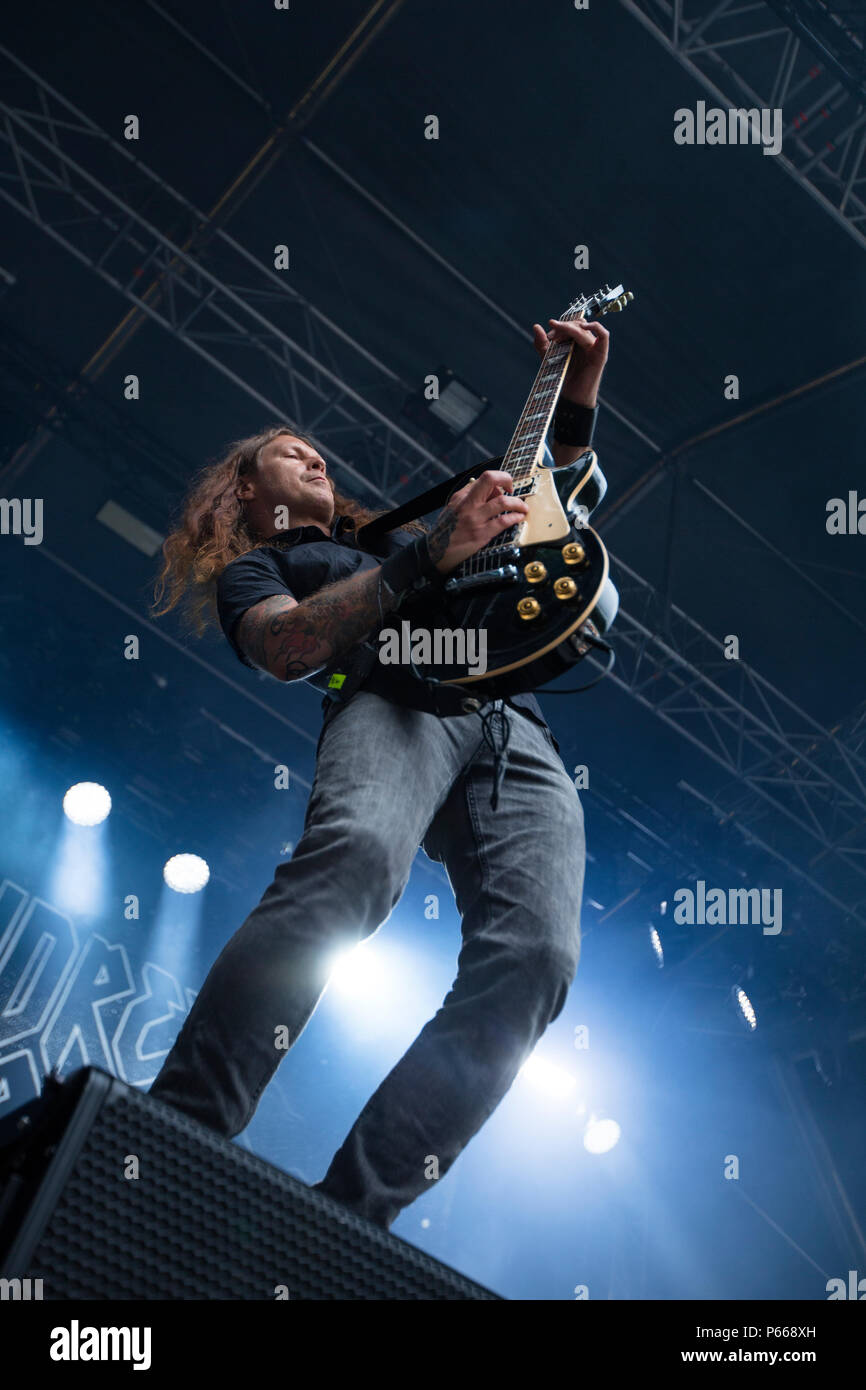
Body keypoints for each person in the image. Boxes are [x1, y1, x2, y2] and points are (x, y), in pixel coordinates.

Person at [148, 313, 610, 1230]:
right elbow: (289, 646)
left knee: (537, 962)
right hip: (394, 700)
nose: (315, 458)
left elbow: (553, 505)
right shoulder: (272, 564)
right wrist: (430, 553)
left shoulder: (408, 529)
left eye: (319, 450)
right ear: (245, 489)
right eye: (288, 452)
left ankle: (351, 1220)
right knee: (354, 862)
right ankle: (177, 1132)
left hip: (517, 730)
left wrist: (577, 389)